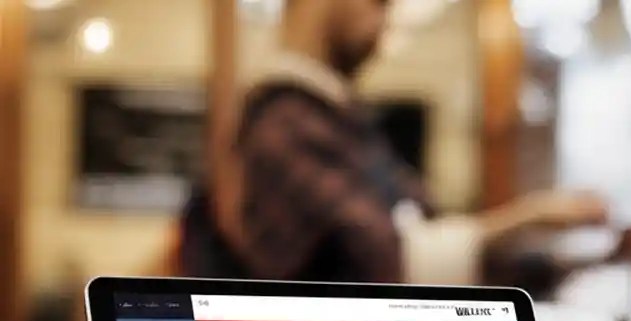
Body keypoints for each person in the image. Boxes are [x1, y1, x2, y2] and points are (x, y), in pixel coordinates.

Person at [184, 0, 606, 283]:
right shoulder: (286, 124)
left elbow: (423, 225)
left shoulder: (335, 120)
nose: (384, 26)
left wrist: (569, 257)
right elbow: (383, 258)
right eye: (378, 3)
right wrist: (528, 219)